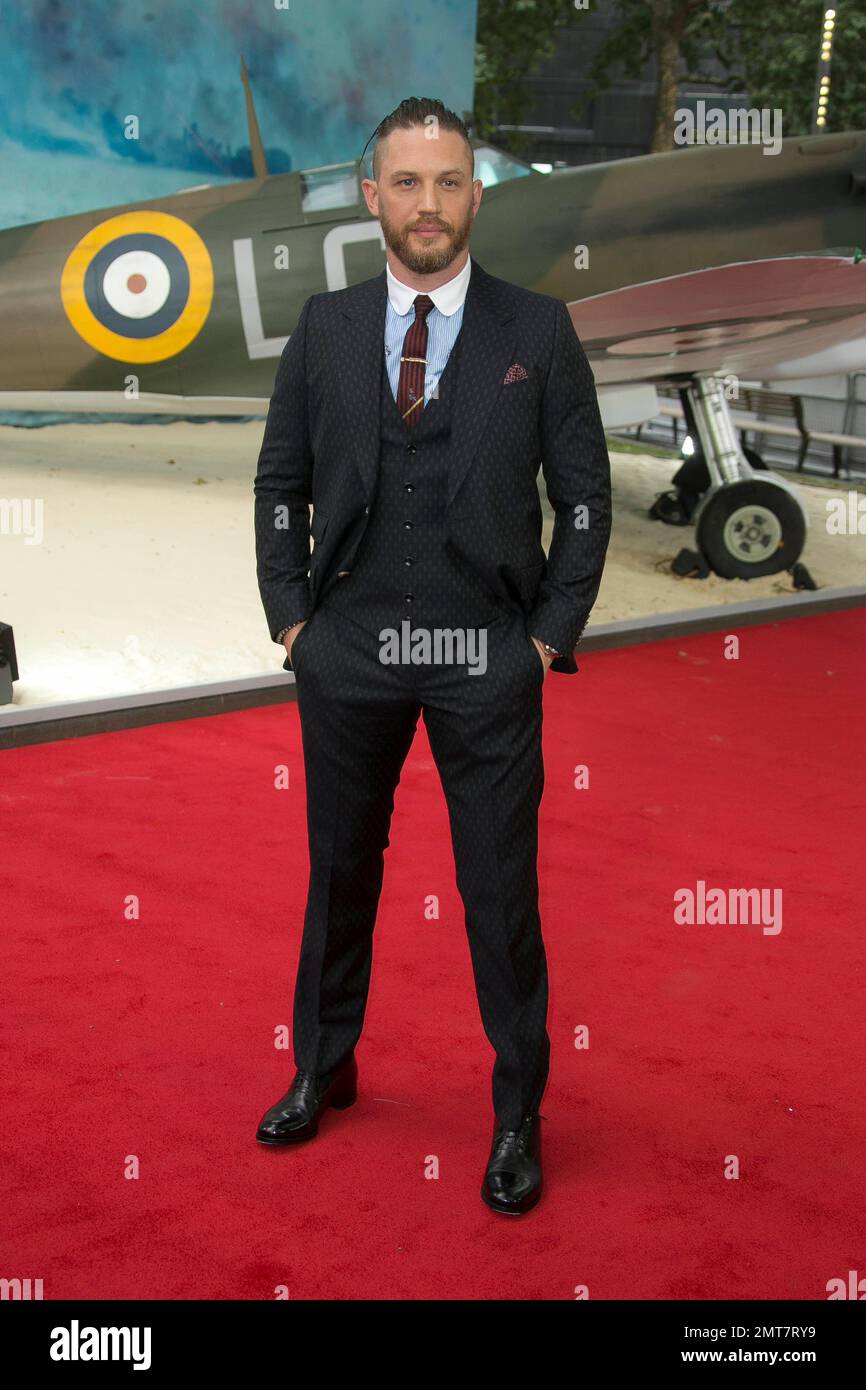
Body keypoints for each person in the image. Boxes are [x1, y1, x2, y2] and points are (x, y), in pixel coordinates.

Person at [253, 97, 611, 1215]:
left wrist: (545, 639)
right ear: (373, 197)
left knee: (498, 889)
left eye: (447, 182)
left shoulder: (537, 331)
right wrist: (292, 621)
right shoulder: (326, 326)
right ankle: (323, 1064)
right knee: (338, 868)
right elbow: (279, 485)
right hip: (348, 643)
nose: (426, 205)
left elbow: (587, 503)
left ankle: (515, 1114)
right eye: (404, 183)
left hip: (482, 650)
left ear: (473, 193)